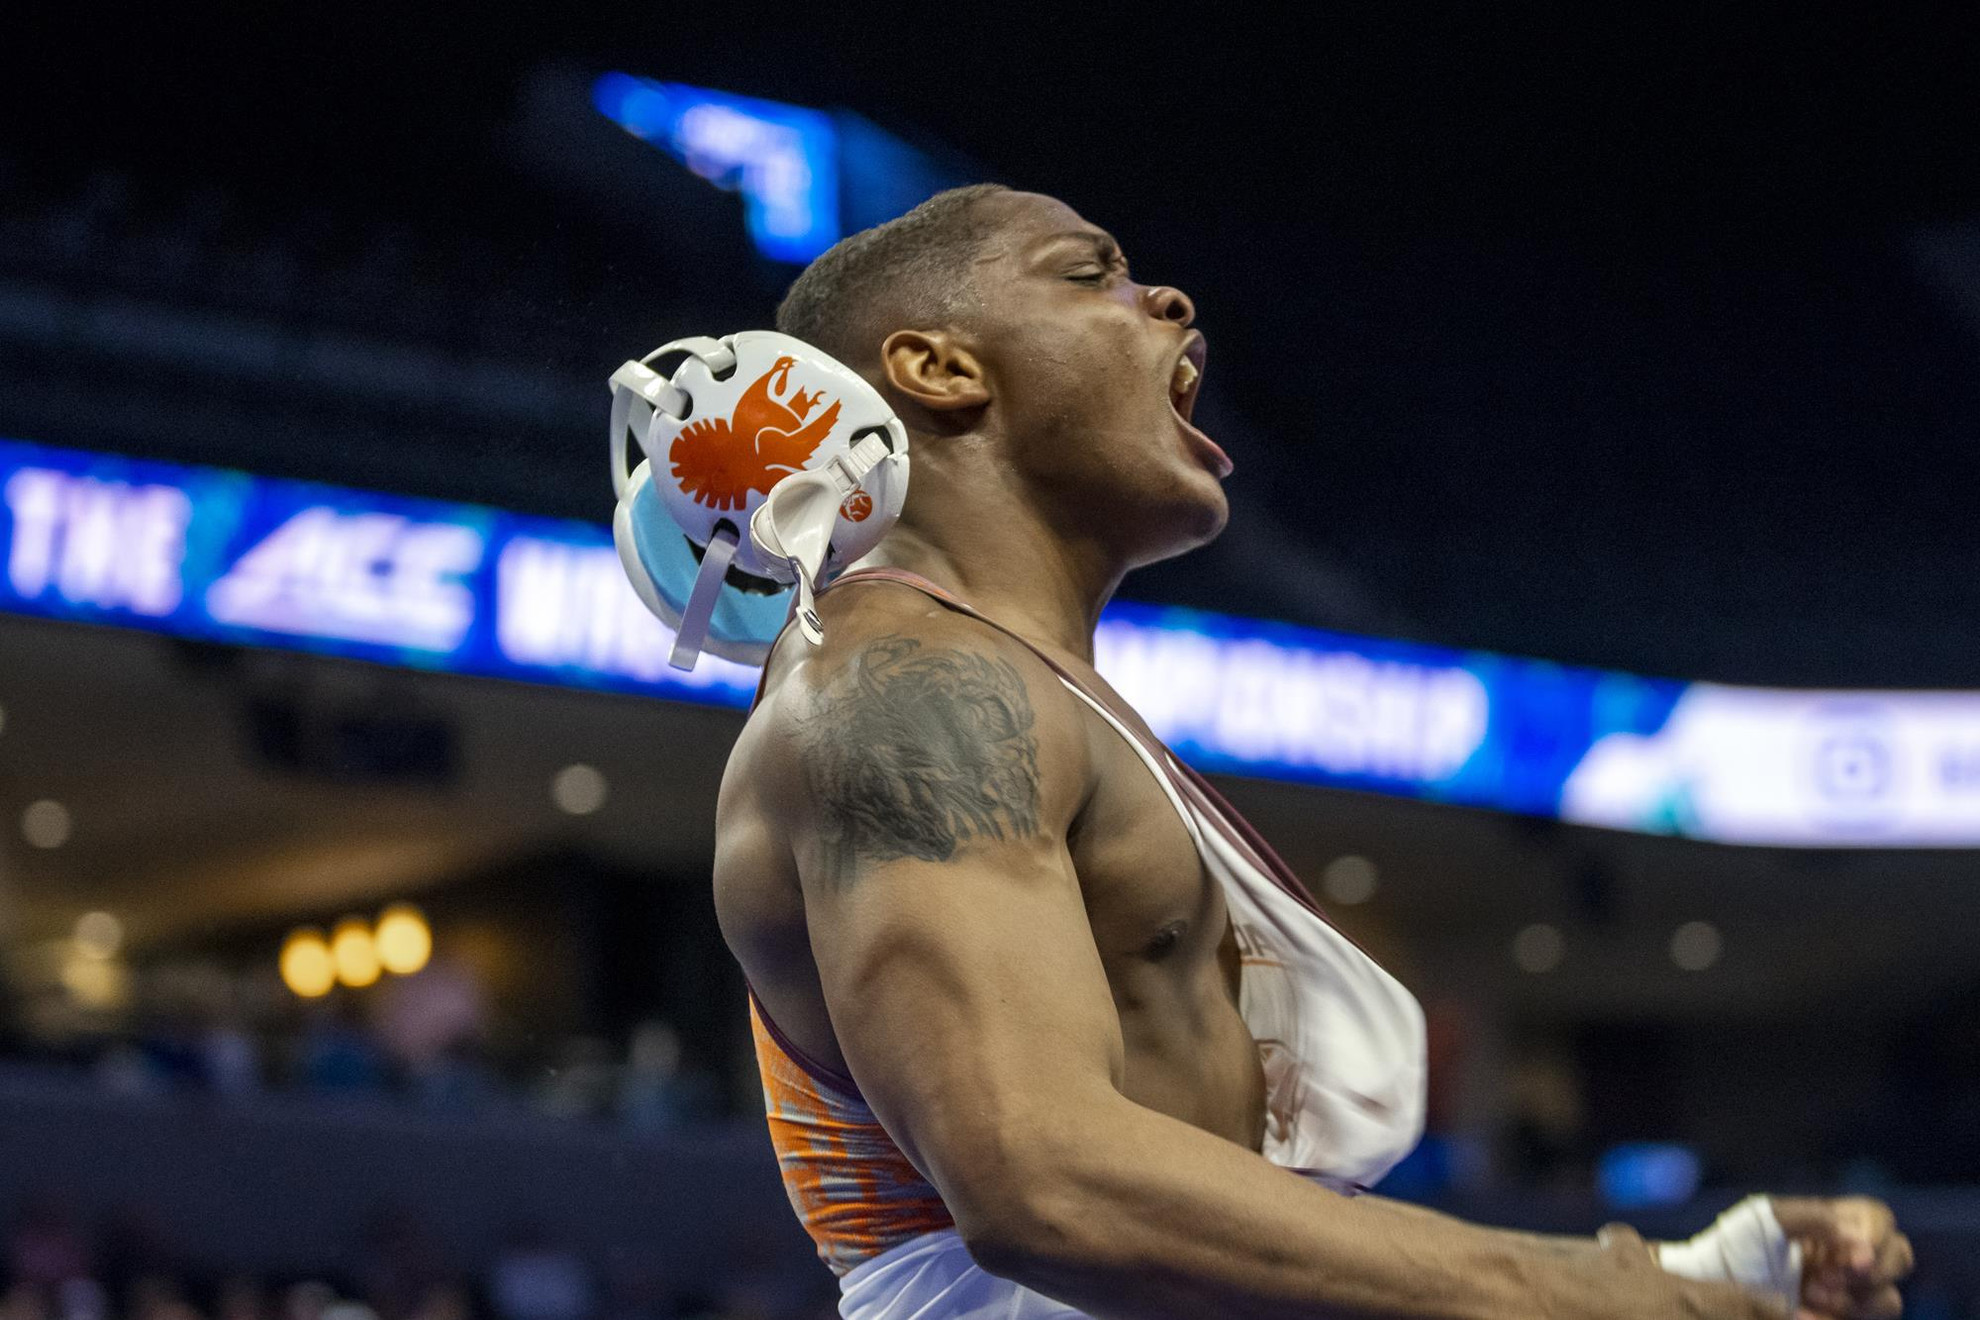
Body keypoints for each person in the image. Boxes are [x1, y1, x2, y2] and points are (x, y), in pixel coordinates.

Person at [703, 185, 1914, 1318]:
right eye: (1093, 277)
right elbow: (1047, 1184)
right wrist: (1610, 1298)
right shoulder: (905, 683)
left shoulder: (1012, 686)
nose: (1169, 302)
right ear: (939, 366)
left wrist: (1686, 1271)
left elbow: (1208, 1227)